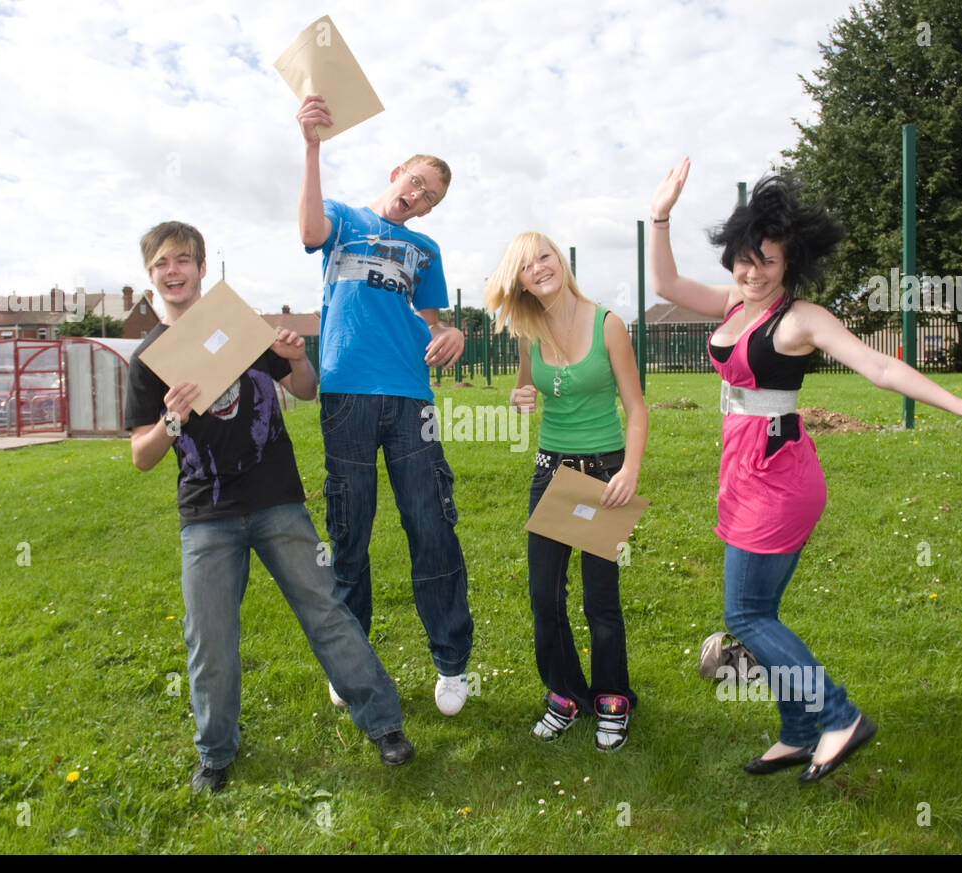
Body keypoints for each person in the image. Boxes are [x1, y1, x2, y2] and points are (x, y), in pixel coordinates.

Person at [649, 161, 962, 782]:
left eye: (766, 260)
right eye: (743, 258)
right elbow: (663, 282)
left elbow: (881, 369)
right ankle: (796, 732)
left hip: (780, 478)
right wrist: (661, 213)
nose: (751, 271)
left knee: (745, 617)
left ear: (789, 263)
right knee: (759, 609)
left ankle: (838, 716)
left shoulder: (801, 319)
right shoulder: (734, 301)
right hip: (742, 471)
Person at [124, 221, 415, 793]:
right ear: (151, 275)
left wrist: (298, 356)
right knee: (209, 637)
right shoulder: (149, 357)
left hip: (277, 501)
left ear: (202, 268)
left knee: (327, 611)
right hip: (206, 516)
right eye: (162, 264)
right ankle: (215, 753)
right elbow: (140, 454)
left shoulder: (241, 328)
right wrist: (171, 419)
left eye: (184, 260)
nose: (174, 272)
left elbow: (306, 388)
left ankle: (384, 724)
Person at [296, 94, 474, 716]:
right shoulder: (342, 218)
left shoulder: (424, 250)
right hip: (346, 396)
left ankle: (452, 663)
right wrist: (314, 143)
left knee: (430, 525)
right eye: (417, 183)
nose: (418, 198)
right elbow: (307, 231)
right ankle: (351, 663)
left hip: (410, 399)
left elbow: (435, 324)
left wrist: (452, 334)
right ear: (398, 171)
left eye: (429, 198)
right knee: (350, 531)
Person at [485, 232, 648, 751]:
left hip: (603, 472)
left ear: (560, 261)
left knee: (601, 599)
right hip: (551, 471)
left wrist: (630, 471)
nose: (539, 268)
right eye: (527, 267)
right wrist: (519, 399)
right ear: (521, 283)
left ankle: (612, 698)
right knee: (544, 596)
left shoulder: (608, 325)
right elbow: (525, 394)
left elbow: (637, 409)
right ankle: (565, 694)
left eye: (545, 257)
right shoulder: (528, 332)